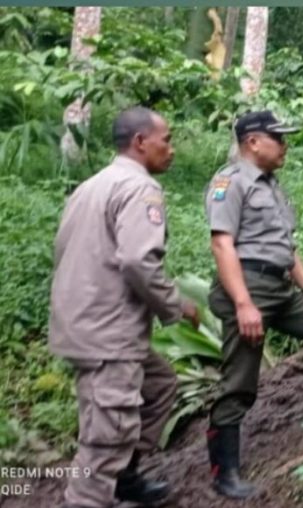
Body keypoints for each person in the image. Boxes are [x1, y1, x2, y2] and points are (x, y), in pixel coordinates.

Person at [49, 106, 200, 508]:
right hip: (108, 334)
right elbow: (137, 260)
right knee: (107, 436)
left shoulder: (92, 185)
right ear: (140, 143)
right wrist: (175, 305)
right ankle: (92, 495)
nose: (171, 149)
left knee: (159, 384)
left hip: (84, 324)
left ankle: (123, 478)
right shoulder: (139, 189)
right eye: (165, 140)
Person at [204, 111, 303, 499]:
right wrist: (243, 303)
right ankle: (224, 472)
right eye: (278, 138)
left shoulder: (270, 185)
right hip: (249, 286)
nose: (285, 145)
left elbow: (286, 246)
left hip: (282, 287)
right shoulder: (231, 182)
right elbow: (222, 244)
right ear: (253, 142)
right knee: (239, 381)